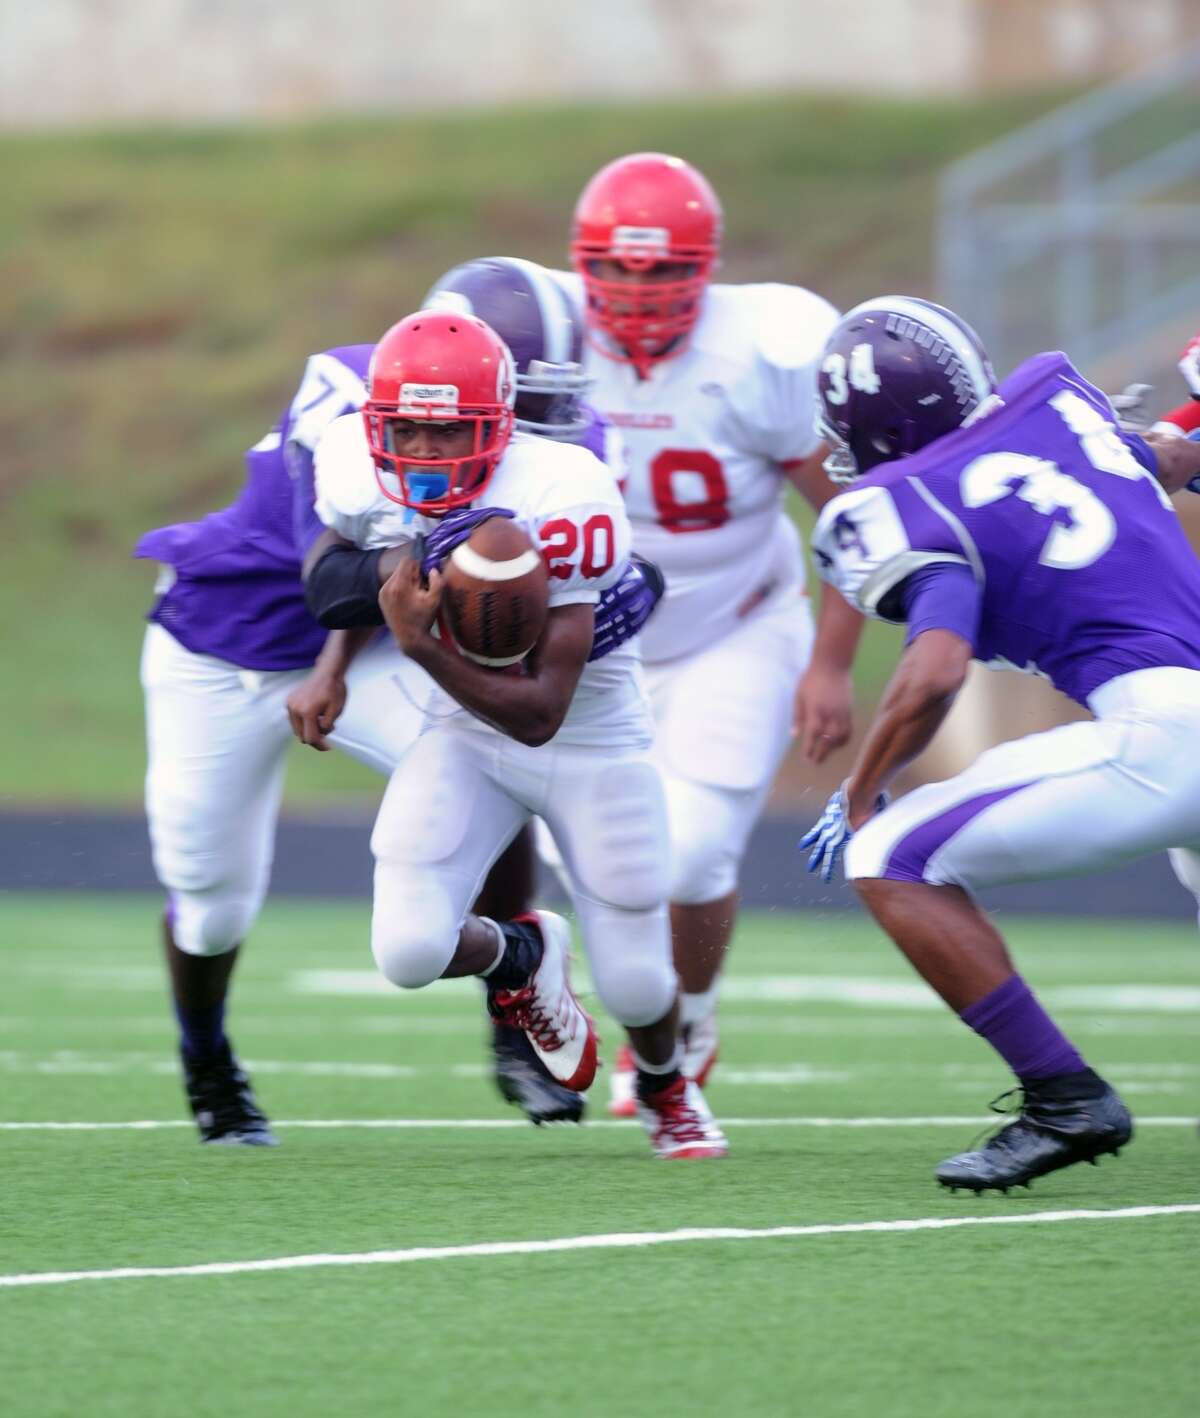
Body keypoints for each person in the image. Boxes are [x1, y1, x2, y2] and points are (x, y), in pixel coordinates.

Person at [800, 294, 1200, 1192]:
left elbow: (936, 670)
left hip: (1165, 731)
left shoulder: (911, 499)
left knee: (889, 855)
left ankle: (1064, 1099)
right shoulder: (1059, 405)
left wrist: (862, 789)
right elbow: (1168, 458)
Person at [306, 307, 726, 1159]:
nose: (423, 452)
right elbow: (335, 575)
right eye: (408, 431)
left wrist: (421, 642)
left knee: (639, 981)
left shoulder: (562, 492)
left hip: (589, 740)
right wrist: (334, 663)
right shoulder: (352, 461)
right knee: (408, 949)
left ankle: (664, 1085)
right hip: (461, 732)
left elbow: (541, 714)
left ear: (496, 425)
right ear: (378, 422)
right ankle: (520, 953)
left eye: (445, 431)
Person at [556, 152, 863, 1114]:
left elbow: (854, 516)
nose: (636, 292)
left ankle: (689, 1017)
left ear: (707, 268)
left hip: (737, 622)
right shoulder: (546, 338)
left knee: (692, 859)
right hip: (591, 644)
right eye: (616, 267)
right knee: (601, 863)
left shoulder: (765, 351)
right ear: (579, 265)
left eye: (660, 270)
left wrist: (830, 663)